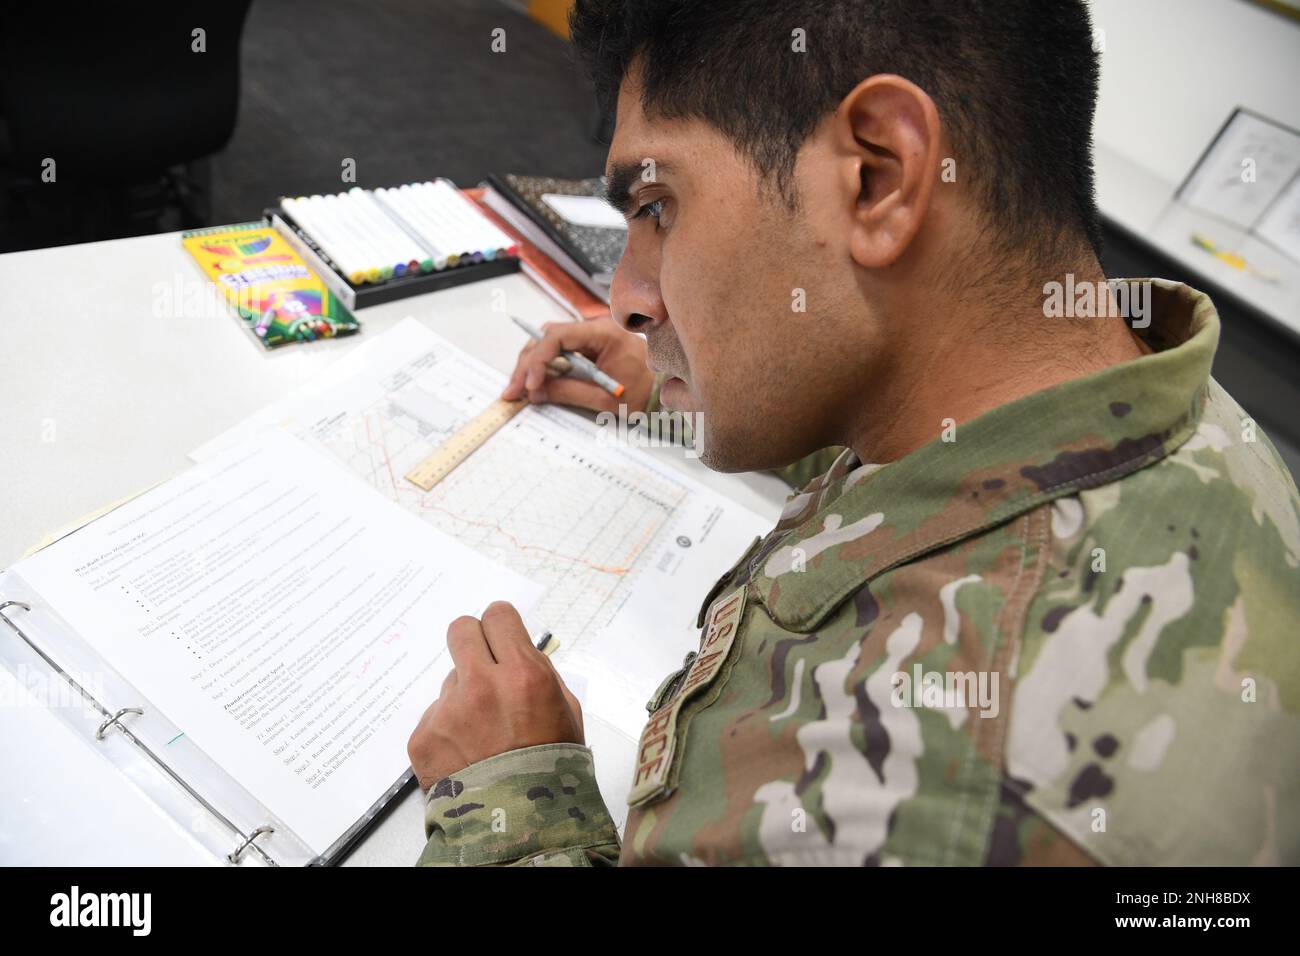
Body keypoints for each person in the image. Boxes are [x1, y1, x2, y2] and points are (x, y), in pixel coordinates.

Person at [406, 0, 1300, 866]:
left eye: (659, 206)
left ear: (878, 176)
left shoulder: (925, 803)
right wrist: (694, 391)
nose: (630, 298)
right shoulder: (1149, 396)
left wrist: (515, 803)